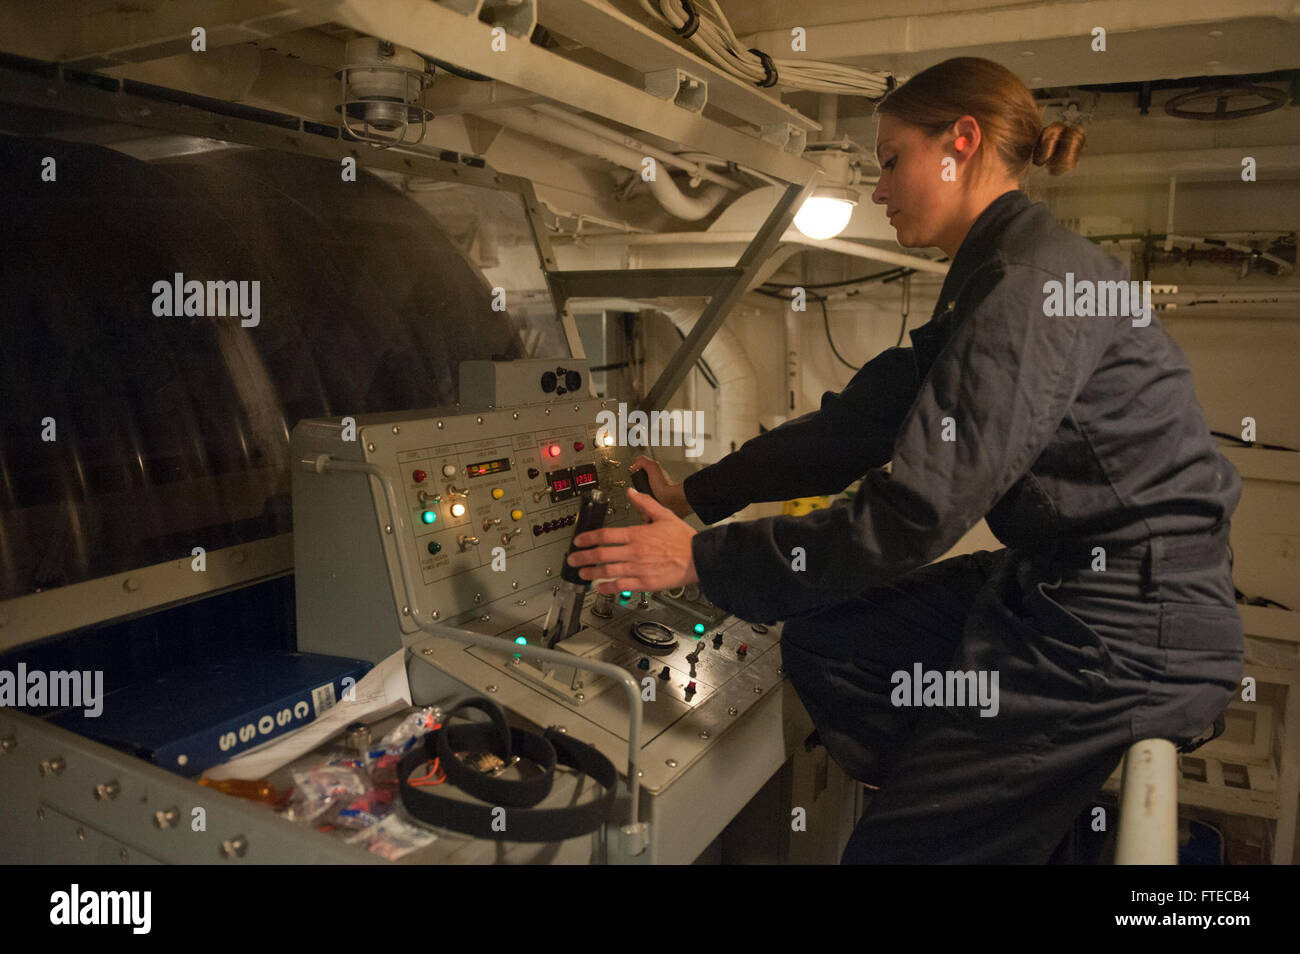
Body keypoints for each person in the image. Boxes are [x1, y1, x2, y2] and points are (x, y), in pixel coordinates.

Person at [565, 57, 1243, 863]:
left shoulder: (1029, 282)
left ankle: (964, 806)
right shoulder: (995, 275)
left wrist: (701, 561)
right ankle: (982, 797)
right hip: (1060, 589)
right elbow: (856, 426)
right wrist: (694, 497)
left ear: (961, 142)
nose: (878, 189)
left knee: (897, 854)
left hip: (1123, 625)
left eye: (890, 161)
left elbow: (916, 512)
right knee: (827, 636)